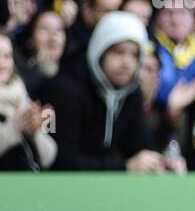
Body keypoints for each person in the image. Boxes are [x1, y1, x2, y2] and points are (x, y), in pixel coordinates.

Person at [41, 11, 180, 172]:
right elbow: (61, 161)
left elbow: (141, 149)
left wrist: (164, 163)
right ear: (100, 51)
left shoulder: (131, 93)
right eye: (118, 52)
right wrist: (123, 167)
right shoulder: (63, 90)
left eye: (134, 55)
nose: (127, 63)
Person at [0, 33, 57, 171]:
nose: (2, 63)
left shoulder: (20, 95)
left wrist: (35, 132)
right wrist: (14, 128)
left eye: (7, 56)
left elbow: (49, 157)